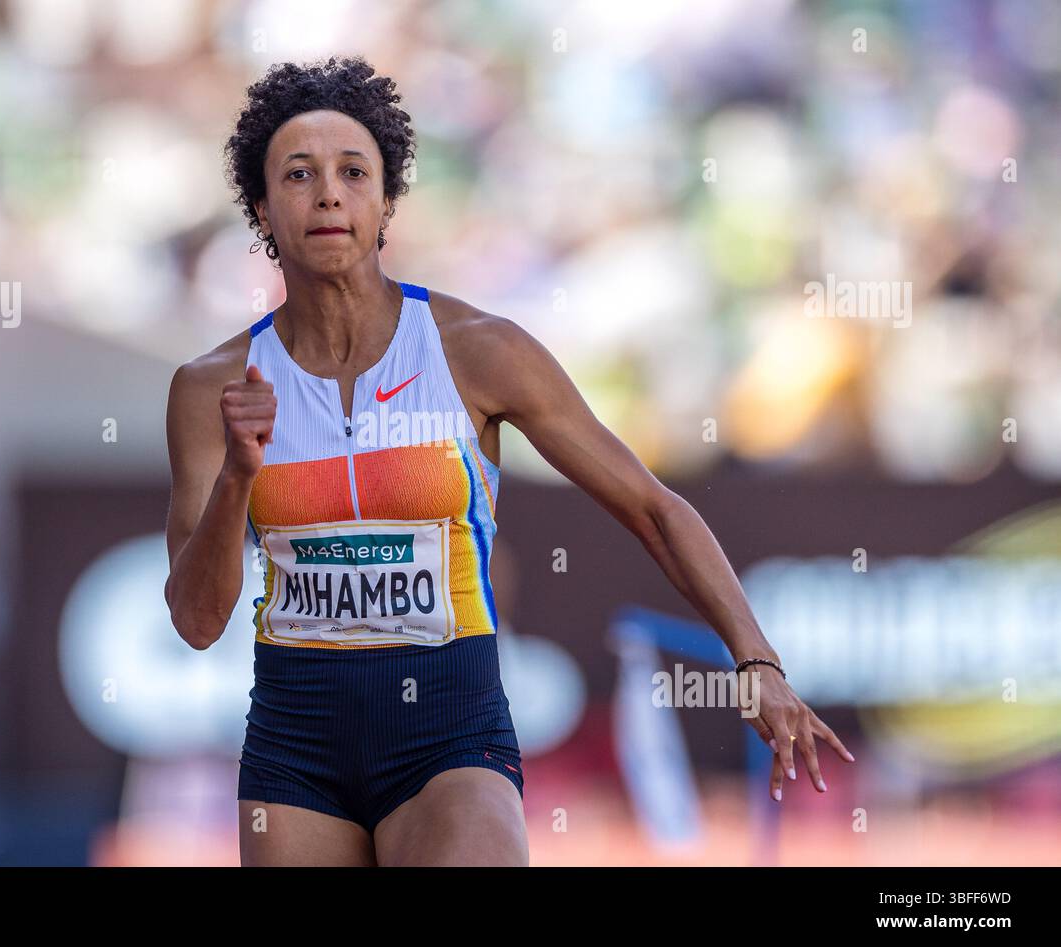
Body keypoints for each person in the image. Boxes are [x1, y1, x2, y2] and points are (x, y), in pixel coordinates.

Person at [164, 56, 852, 866]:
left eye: (354, 172)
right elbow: (198, 621)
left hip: (447, 736)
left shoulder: (479, 352)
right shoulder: (212, 386)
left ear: (387, 201)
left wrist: (756, 660)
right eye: (299, 175)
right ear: (261, 207)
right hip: (295, 747)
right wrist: (240, 476)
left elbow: (654, 507)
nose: (328, 195)